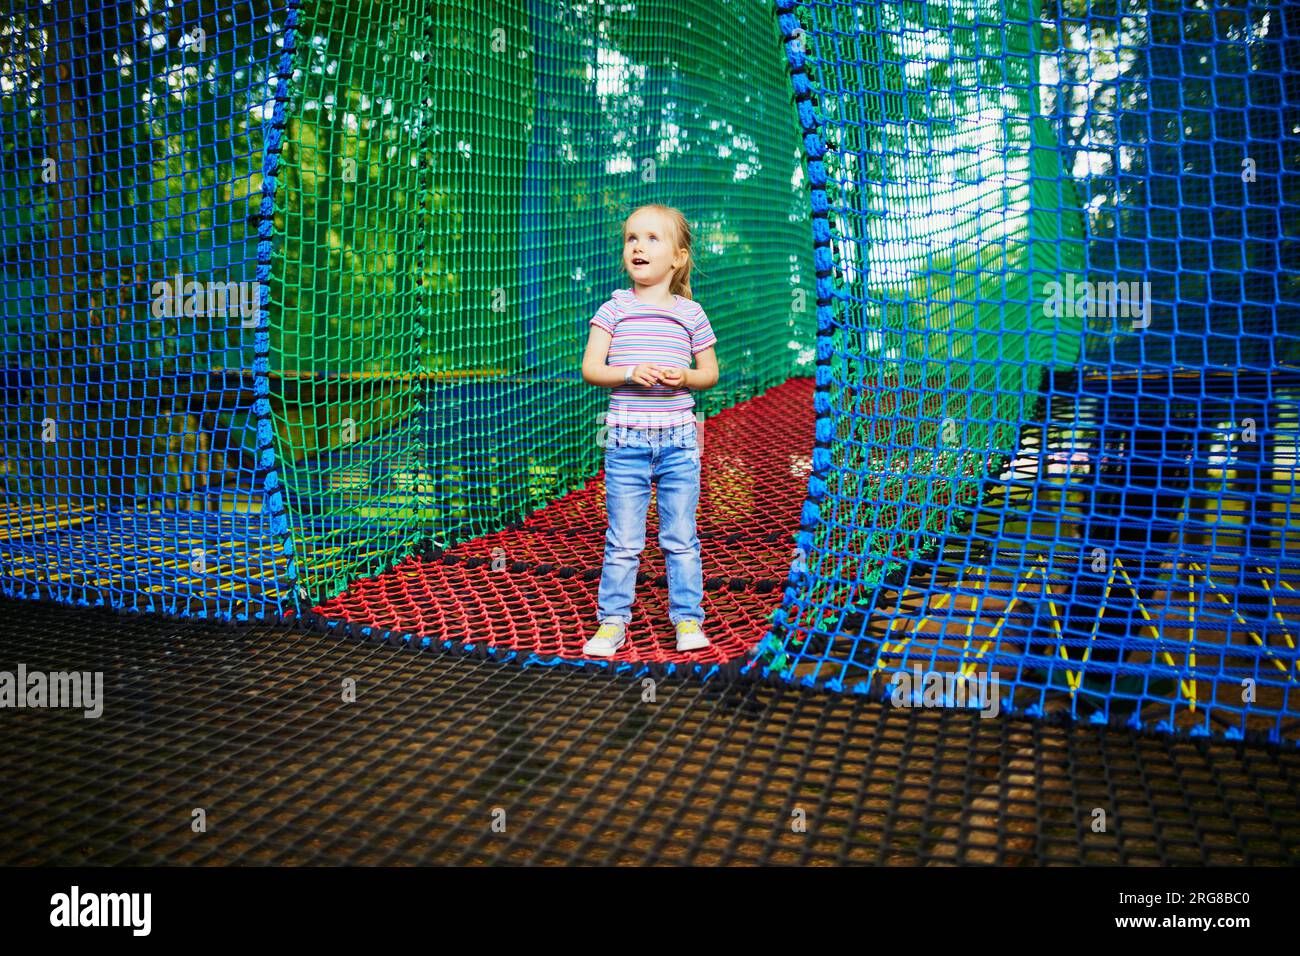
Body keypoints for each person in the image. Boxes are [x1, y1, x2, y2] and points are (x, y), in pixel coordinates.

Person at [578, 204, 720, 657]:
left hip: (680, 440)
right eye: (631, 238)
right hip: (625, 440)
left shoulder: (690, 313)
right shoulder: (614, 308)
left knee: (680, 535)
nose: (638, 246)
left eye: (652, 238)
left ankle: (688, 619)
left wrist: (685, 376)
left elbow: (710, 374)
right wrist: (629, 371)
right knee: (624, 539)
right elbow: (591, 369)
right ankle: (612, 622)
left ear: (677, 257)